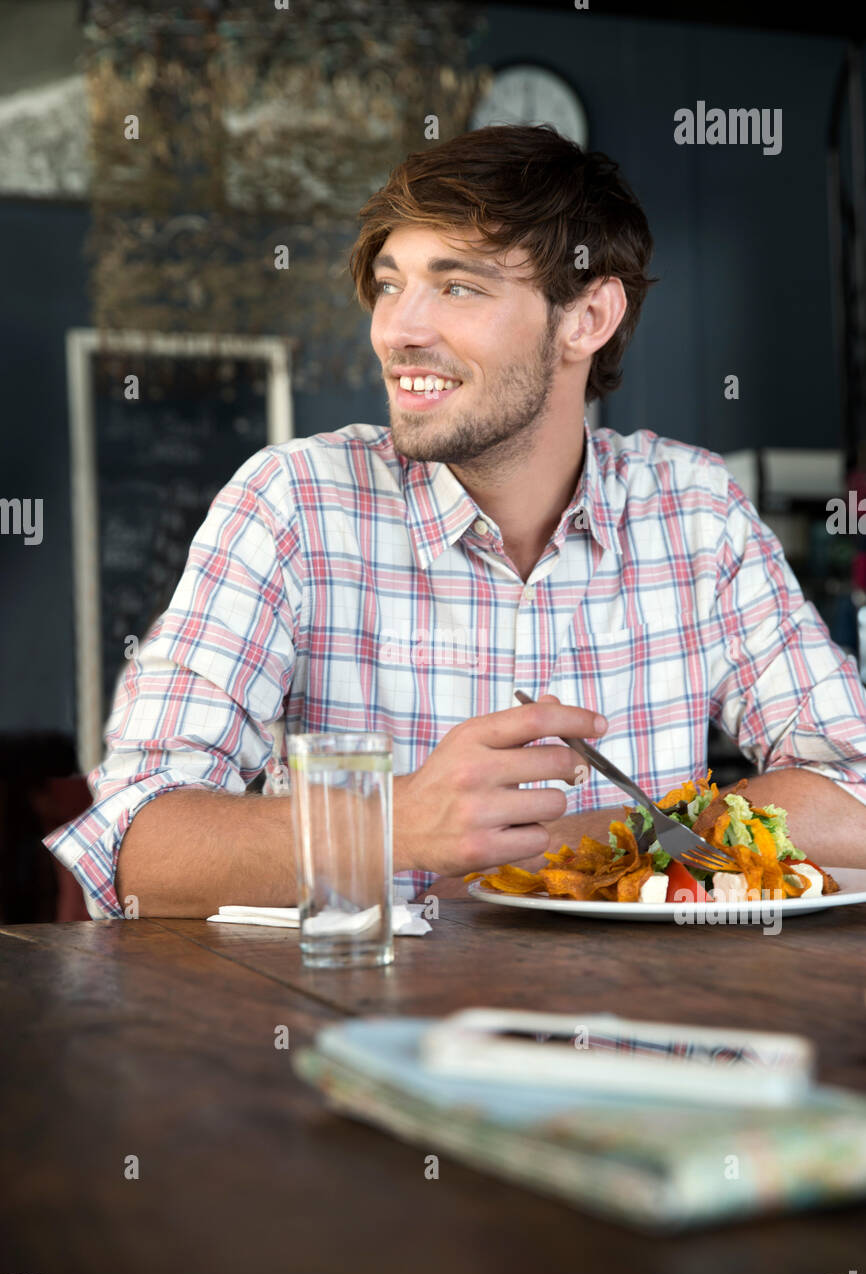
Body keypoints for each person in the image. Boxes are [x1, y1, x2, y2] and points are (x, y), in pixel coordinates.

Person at [45, 124, 866, 919]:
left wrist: (569, 850)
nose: (396, 329)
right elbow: (134, 849)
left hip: (646, 1041)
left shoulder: (695, 510)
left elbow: (854, 790)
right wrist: (395, 826)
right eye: (392, 282)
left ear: (586, 318)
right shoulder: (292, 503)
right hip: (359, 1042)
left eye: (459, 285)